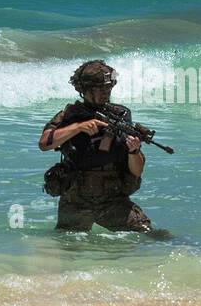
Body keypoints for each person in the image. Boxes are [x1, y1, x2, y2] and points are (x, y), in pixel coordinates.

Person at [38, 60, 154, 233]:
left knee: (147, 234)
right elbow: (44, 143)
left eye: (108, 88)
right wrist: (79, 127)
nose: (105, 93)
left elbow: (137, 171)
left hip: (112, 198)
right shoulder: (70, 115)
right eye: (100, 89)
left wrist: (134, 151)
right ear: (84, 90)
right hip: (75, 198)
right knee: (67, 248)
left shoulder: (120, 115)